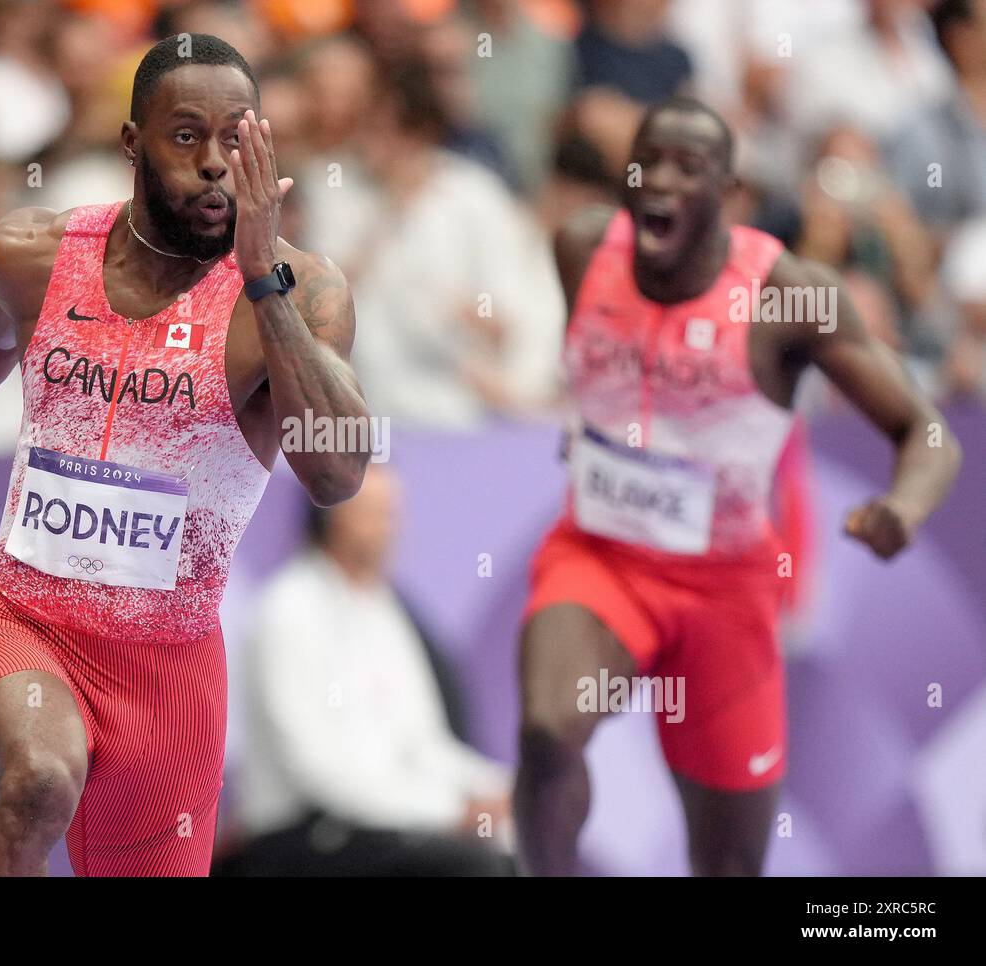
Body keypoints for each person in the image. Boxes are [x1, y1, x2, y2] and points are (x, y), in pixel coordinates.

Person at [0, 33, 370, 877]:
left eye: (237, 138)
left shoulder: (299, 294)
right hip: (25, 624)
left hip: (170, 678)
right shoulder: (37, 256)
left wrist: (261, 278)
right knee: (38, 781)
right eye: (186, 136)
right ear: (132, 146)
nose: (215, 162)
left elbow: (335, 476)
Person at [515, 97, 962, 876]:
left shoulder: (788, 297)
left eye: (689, 169)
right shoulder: (583, 249)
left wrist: (904, 507)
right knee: (550, 729)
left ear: (730, 191)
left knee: (727, 864)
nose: (659, 180)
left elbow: (925, 432)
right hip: (599, 557)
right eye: (646, 161)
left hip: (726, 590)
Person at [228, 463, 513, 876]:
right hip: (303, 833)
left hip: (386, 822)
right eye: (376, 513)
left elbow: (423, 743)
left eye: (393, 514)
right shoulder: (287, 610)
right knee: (472, 865)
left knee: (515, 847)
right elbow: (319, 773)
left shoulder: (385, 610)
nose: (390, 528)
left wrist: (501, 791)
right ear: (333, 514)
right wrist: (448, 812)